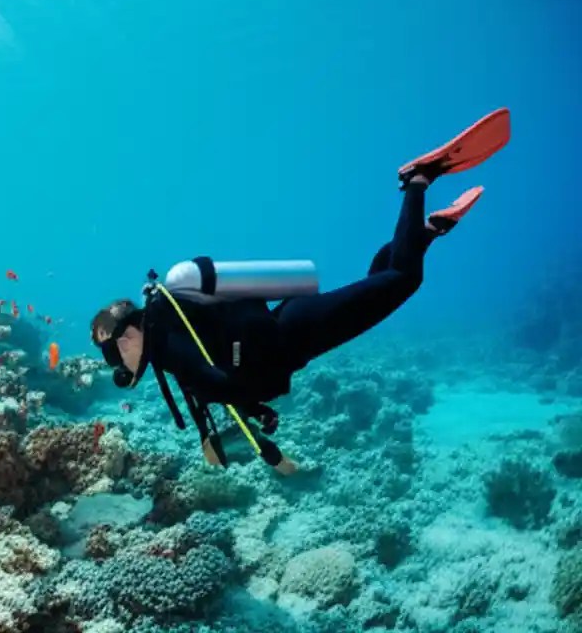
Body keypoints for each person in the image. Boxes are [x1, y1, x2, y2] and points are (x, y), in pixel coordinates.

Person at [90, 108, 511, 474]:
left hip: (296, 333)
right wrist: (250, 415)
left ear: (127, 335)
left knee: (403, 281)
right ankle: (425, 233)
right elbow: (217, 382)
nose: (121, 365)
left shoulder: (167, 341)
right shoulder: (169, 323)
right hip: (292, 325)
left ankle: (418, 180)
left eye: (115, 355)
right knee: (376, 287)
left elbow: (217, 386)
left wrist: (264, 442)